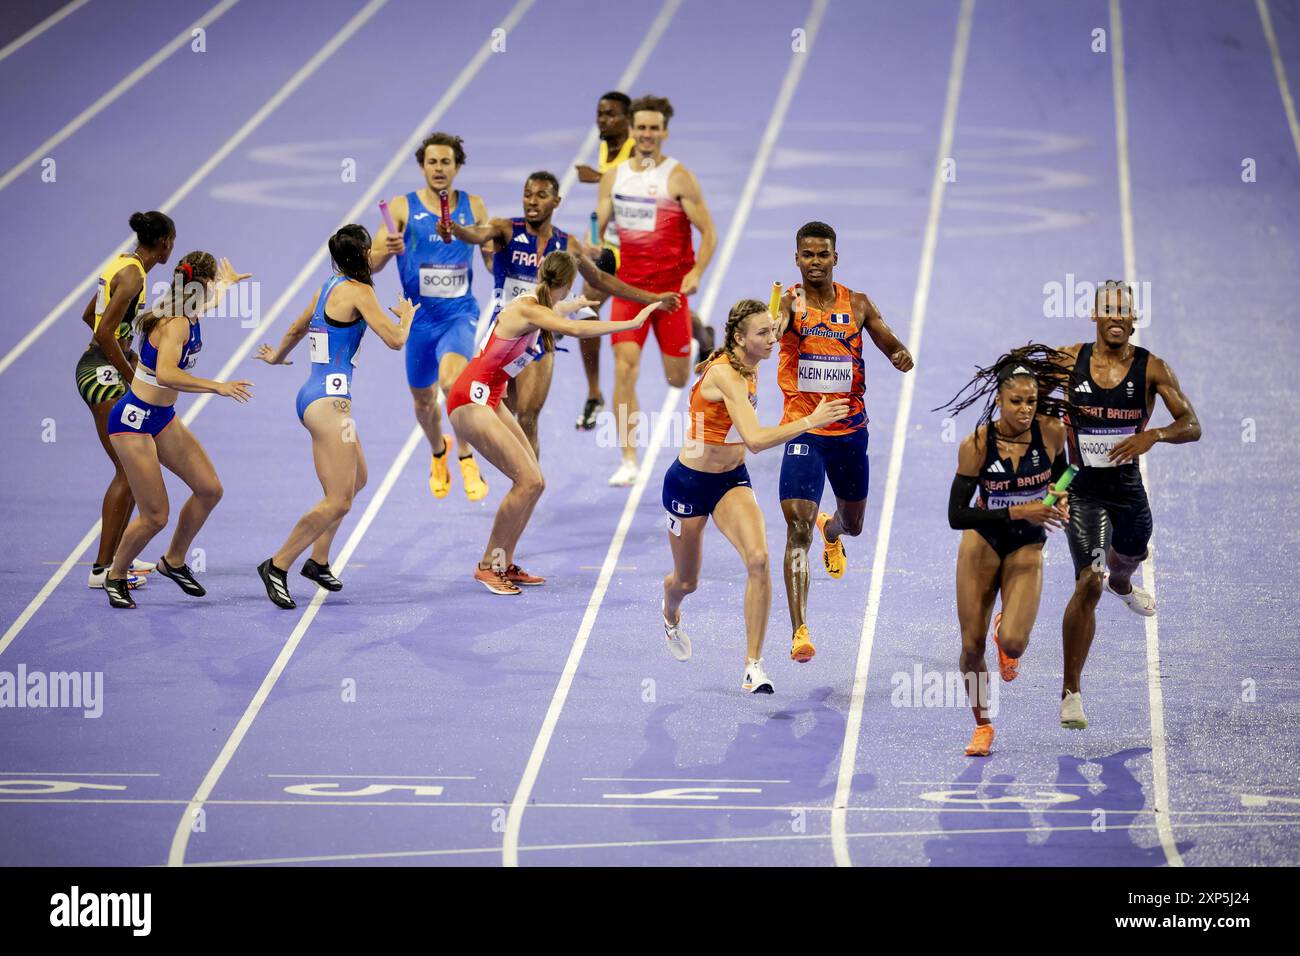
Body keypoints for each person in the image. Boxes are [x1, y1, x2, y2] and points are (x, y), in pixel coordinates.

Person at [445, 251, 667, 595]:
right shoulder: (529, 309)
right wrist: (632, 323)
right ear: (565, 282)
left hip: (489, 396)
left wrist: (576, 300)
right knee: (527, 481)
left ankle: (504, 560)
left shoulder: (536, 302)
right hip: (471, 398)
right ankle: (488, 565)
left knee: (536, 482)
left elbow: (557, 312)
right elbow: (574, 327)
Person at [660, 299, 848, 694]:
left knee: (759, 560)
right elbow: (757, 440)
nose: (773, 340)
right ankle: (670, 610)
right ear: (741, 339)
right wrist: (811, 421)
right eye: (763, 334)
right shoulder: (728, 376)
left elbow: (775, 324)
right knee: (686, 581)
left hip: (731, 482)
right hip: (689, 484)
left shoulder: (750, 353)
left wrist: (788, 309)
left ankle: (753, 666)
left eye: (771, 332)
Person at [443, 170, 678, 456]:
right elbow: (476, 234)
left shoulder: (566, 245)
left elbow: (600, 280)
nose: (532, 201)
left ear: (556, 201)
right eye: (528, 194)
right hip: (504, 338)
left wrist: (653, 298)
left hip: (538, 342)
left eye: (541, 195)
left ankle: (530, 485)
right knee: (501, 412)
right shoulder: (505, 229)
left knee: (527, 418)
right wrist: (455, 229)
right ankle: (515, 477)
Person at [1052, 280, 1200, 729]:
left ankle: (1123, 582)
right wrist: (1051, 483)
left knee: (1131, 555)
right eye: (1108, 310)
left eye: (1124, 311)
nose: (1116, 318)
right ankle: (1071, 692)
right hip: (1082, 490)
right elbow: (1034, 412)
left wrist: (1151, 435)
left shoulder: (1152, 368)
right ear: (1094, 317)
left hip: (1127, 491)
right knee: (1088, 581)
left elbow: (1191, 424)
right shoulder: (1066, 361)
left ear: (1134, 319)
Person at [773, 222, 913, 664]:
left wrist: (899, 355)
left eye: (823, 254)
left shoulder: (859, 304)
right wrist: (778, 323)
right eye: (807, 254)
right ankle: (799, 631)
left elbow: (890, 342)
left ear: (836, 258)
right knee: (796, 530)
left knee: (854, 525)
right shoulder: (790, 304)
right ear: (797, 258)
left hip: (850, 432)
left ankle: (832, 531)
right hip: (804, 431)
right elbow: (776, 326)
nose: (815, 262)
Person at [255, 225, 416, 610]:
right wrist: (407, 316)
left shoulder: (328, 285)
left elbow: (297, 327)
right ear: (362, 255)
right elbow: (395, 340)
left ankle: (318, 559)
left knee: (357, 478)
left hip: (314, 396)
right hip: (331, 405)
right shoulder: (361, 293)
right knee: (339, 500)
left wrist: (277, 355)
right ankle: (277, 566)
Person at [939, 347, 1073, 755]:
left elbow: (1068, 471)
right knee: (970, 647)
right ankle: (982, 724)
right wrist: (1021, 508)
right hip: (982, 542)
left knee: (1013, 643)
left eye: (1031, 401)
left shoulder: (1050, 432)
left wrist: (1060, 496)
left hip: (1027, 544)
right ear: (999, 400)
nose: (1025, 409)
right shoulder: (977, 445)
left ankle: (1004, 631)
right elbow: (956, 515)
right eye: (1016, 401)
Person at [102, 254, 253, 608]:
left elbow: (210, 302)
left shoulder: (189, 308)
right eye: (213, 279)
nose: (215, 286)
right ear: (198, 285)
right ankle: (115, 574)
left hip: (162, 417)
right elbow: (168, 374)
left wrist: (228, 285)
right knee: (155, 516)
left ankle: (173, 561)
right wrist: (216, 386)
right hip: (133, 423)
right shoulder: (176, 324)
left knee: (209, 489)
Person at [590, 94, 717, 486]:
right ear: (631, 130)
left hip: (669, 295)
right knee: (624, 370)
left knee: (678, 379)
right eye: (640, 127)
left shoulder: (678, 177)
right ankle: (629, 459)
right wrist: (594, 243)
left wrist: (696, 271)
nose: (646, 134)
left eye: (652, 128)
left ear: (663, 132)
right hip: (630, 293)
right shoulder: (615, 178)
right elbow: (598, 220)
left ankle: (699, 333)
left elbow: (708, 231)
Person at [370, 132, 489, 501]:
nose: (439, 169)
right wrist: (387, 251)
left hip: (459, 316)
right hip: (420, 321)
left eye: (446, 162)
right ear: (423, 166)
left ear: (457, 167)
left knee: (452, 385)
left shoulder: (474, 206)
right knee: (423, 402)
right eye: (432, 162)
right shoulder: (403, 209)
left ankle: (467, 457)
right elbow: (369, 266)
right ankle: (440, 451)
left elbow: (490, 255)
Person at [77, 210, 176, 590]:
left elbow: (90, 315)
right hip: (101, 376)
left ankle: (119, 560)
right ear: (165, 242)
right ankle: (103, 569)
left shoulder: (121, 264)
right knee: (127, 470)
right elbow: (103, 332)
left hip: (98, 366)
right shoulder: (134, 276)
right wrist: (129, 371)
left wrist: (122, 349)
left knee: (133, 470)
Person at [573, 90, 634, 430]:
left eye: (611, 115)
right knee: (586, 310)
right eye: (600, 114)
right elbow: (608, 195)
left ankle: (702, 331)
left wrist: (596, 177)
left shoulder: (636, 153)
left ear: (628, 119)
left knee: (663, 304)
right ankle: (594, 393)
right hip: (609, 248)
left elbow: (624, 180)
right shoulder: (605, 145)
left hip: (638, 251)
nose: (603, 120)